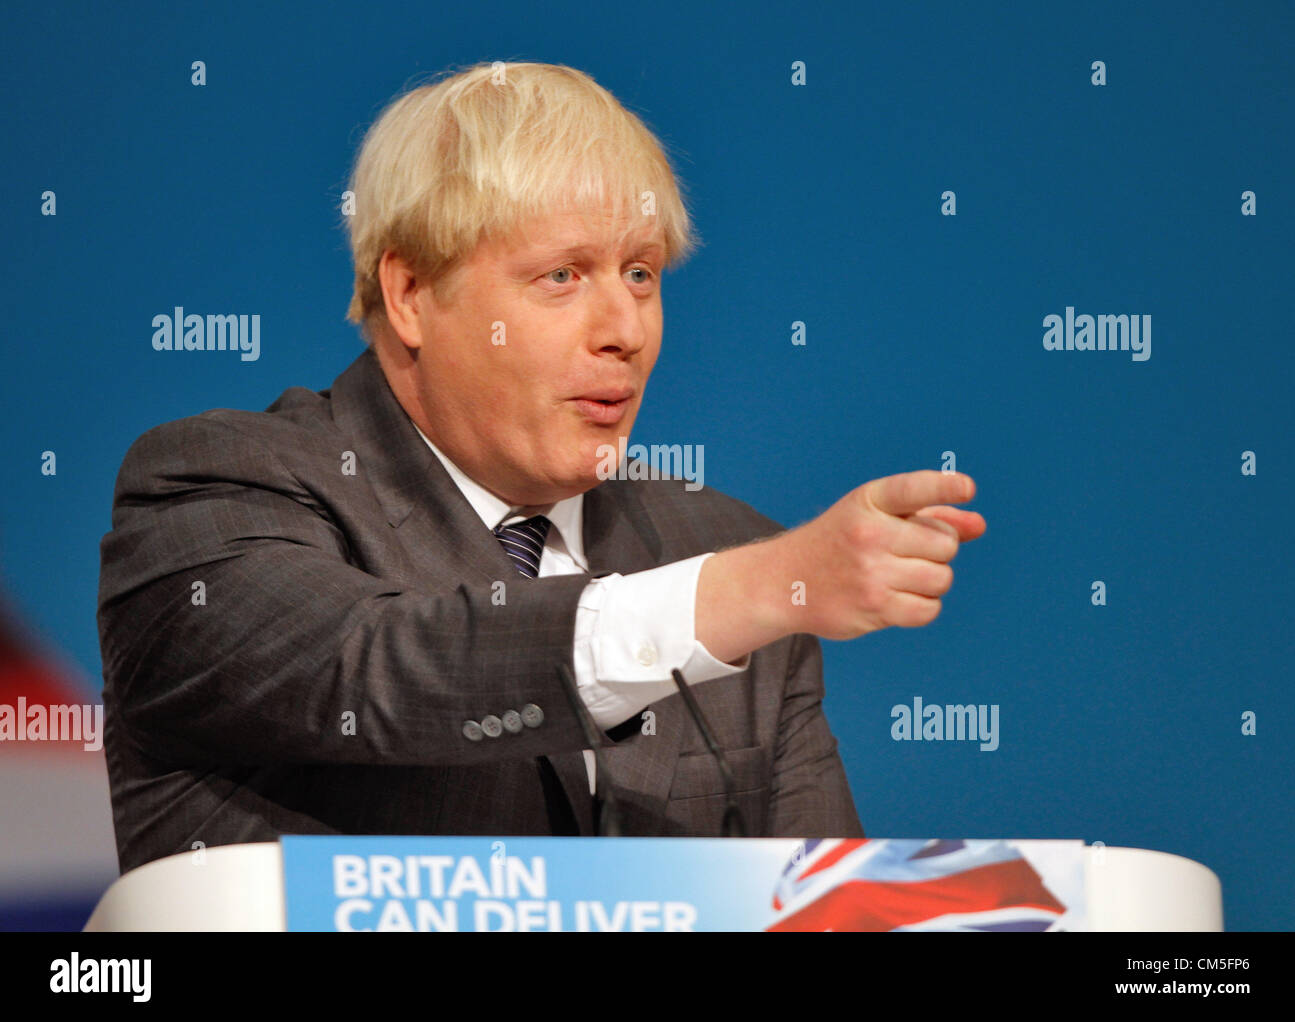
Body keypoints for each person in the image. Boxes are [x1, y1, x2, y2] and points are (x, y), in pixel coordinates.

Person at [97, 62, 985, 874]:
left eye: (640, 274)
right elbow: (383, 668)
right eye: (563, 275)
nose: (625, 330)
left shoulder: (723, 546)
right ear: (410, 295)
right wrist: (749, 592)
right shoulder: (212, 490)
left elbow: (827, 916)